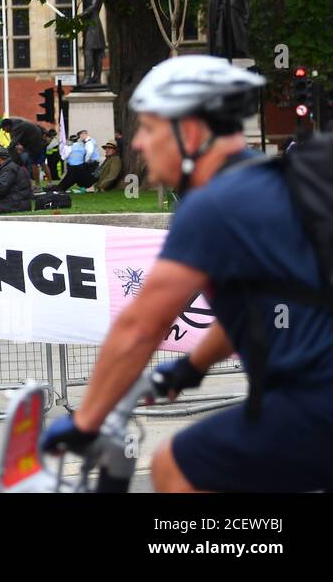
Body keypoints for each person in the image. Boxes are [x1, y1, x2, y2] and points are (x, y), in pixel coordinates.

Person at [41, 55, 333, 492]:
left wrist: (86, 421)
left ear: (190, 130)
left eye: (151, 128)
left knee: (175, 465)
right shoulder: (270, 182)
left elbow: (142, 325)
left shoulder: (214, 203)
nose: (138, 143)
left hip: (314, 401)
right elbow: (260, 307)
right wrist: (189, 369)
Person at [0, 148, 32, 213]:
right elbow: (3, 186)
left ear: (1, 159)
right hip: (17, 201)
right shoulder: (8, 166)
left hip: (16, 204)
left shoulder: (8, 169)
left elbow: (1, 188)